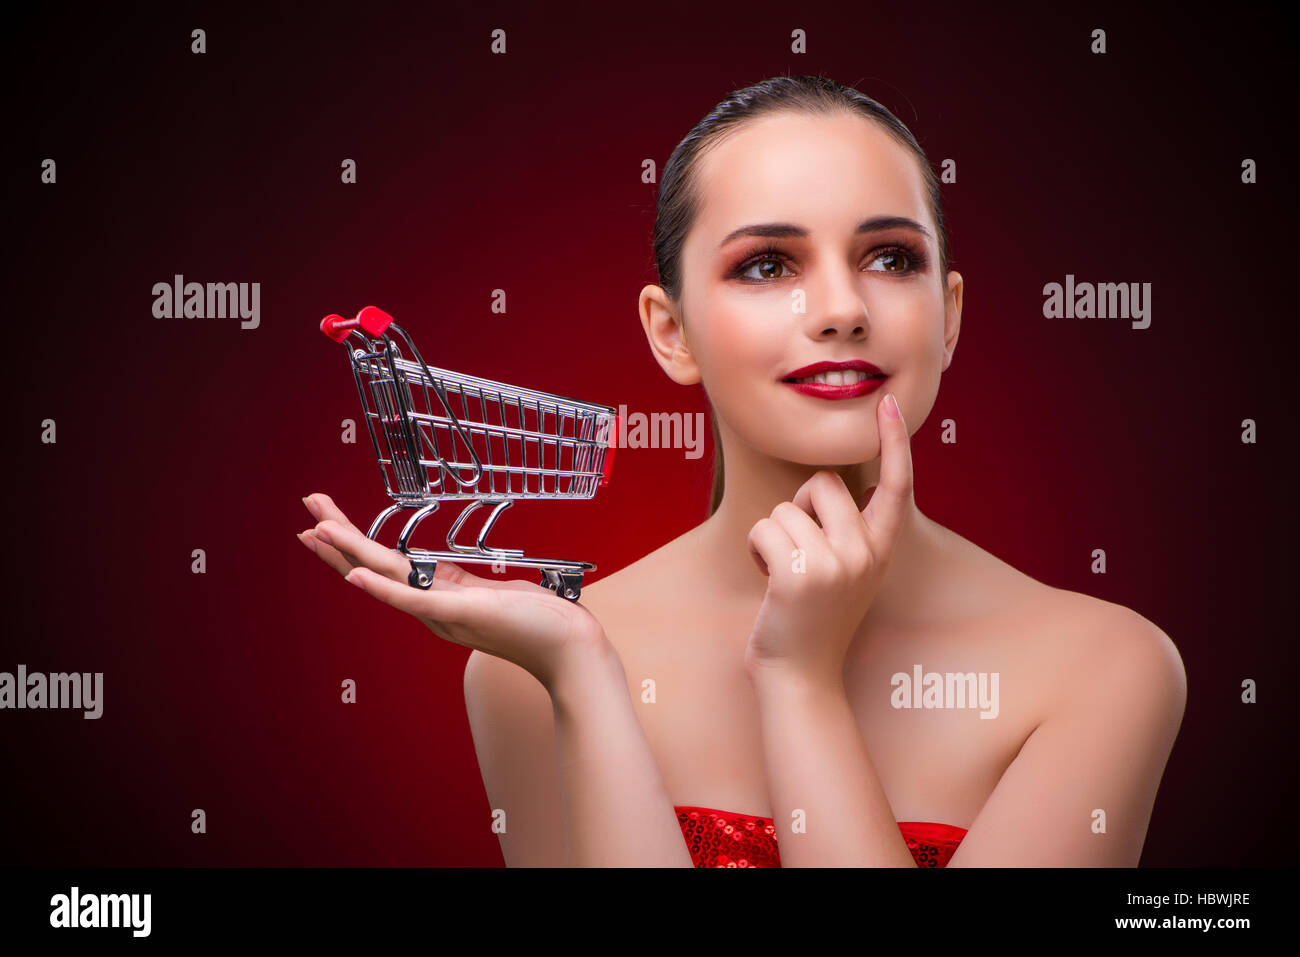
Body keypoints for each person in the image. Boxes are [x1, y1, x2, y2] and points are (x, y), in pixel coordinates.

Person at [297, 74, 1186, 867]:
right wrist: (580, 672)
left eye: (891, 257)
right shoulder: (524, 667)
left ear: (947, 315)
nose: (839, 309)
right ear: (669, 331)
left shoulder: (1108, 668)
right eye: (767, 265)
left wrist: (800, 678)